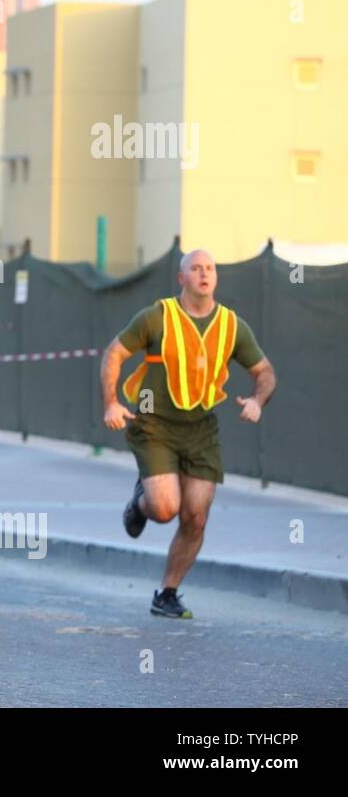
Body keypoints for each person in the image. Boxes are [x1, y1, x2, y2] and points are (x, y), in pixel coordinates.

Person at [101, 248, 276, 619]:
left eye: (210, 268)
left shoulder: (231, 326)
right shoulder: (157, 317)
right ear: (181, 278)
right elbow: (114, 353)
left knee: (196, 516)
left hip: (200, 428)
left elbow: (264, 371)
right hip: (152, 421)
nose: (204, 274)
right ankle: (140, 503)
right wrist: (112, 403)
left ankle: (167, 593)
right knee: (166, 509)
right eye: (195, 268)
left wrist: (258, 401)